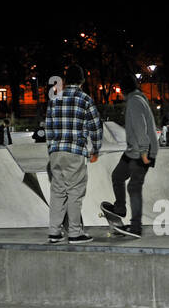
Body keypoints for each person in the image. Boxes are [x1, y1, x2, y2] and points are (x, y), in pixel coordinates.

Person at [45, 63, 102, 243]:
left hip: (56, 151)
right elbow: (95, 127)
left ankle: (54, 232)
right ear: (82, 81)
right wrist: (96, 149)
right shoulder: (85, 99)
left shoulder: (54, 98)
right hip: (75, 151)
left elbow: (48, 127)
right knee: (75, 192)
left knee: (57, 192)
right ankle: (75, 233)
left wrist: (51, 149)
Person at [101, 73, 158, 237]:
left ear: (123, 90)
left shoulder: (135, 102)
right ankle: (120, 208)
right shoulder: (138, 99)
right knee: (117, 176)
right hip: (132, 151)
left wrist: (144, 153)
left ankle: (136, 227)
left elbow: (141, 129)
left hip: (141, 152)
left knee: (133, 187)